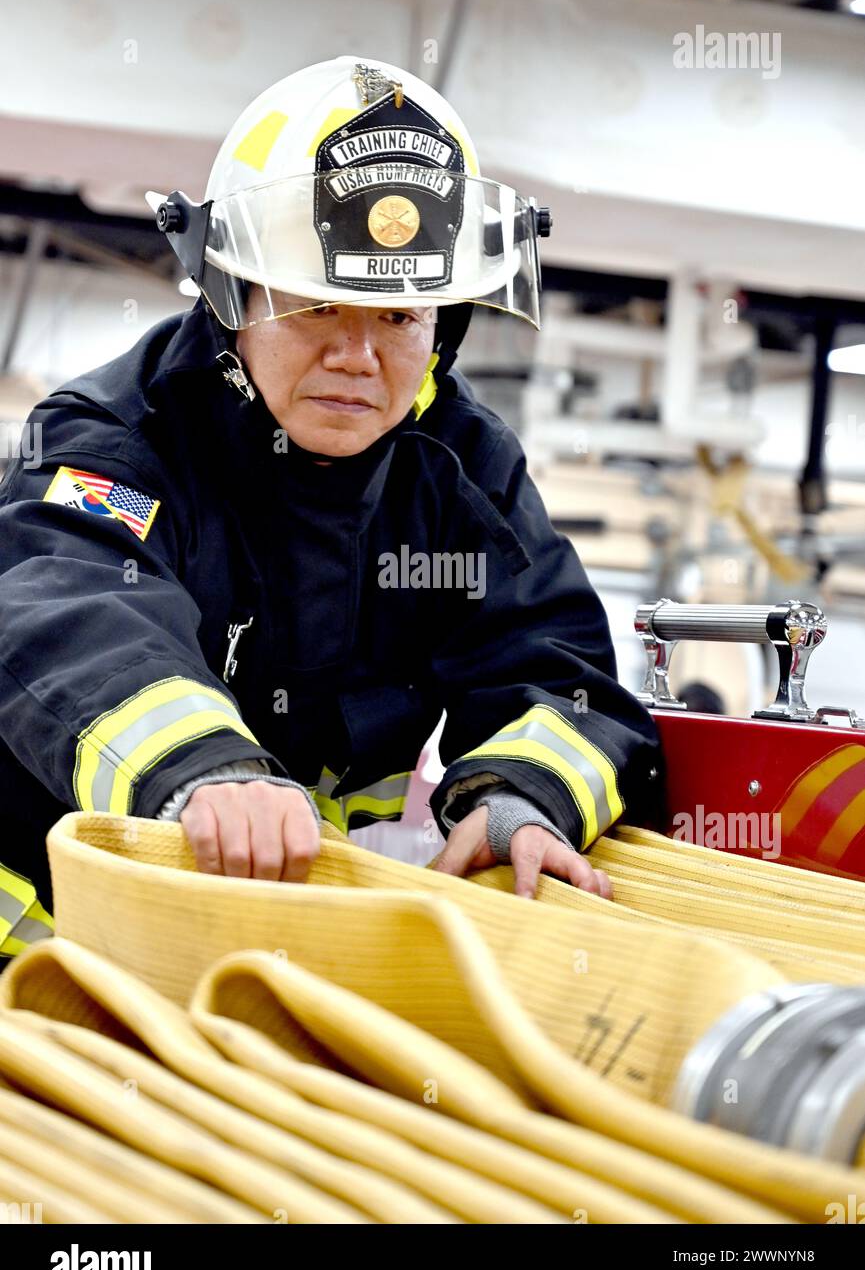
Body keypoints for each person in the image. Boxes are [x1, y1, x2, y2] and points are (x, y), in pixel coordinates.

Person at [0, 56, 662, 957]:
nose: (358, 354)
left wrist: (522, 795)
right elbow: (65, 605)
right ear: (234, 298)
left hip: (273, 952)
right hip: (45, 946)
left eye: (399, 317)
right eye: (317, 305)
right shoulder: (117, 434)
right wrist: (202, 772)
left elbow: (556, 673)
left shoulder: (463, 467)